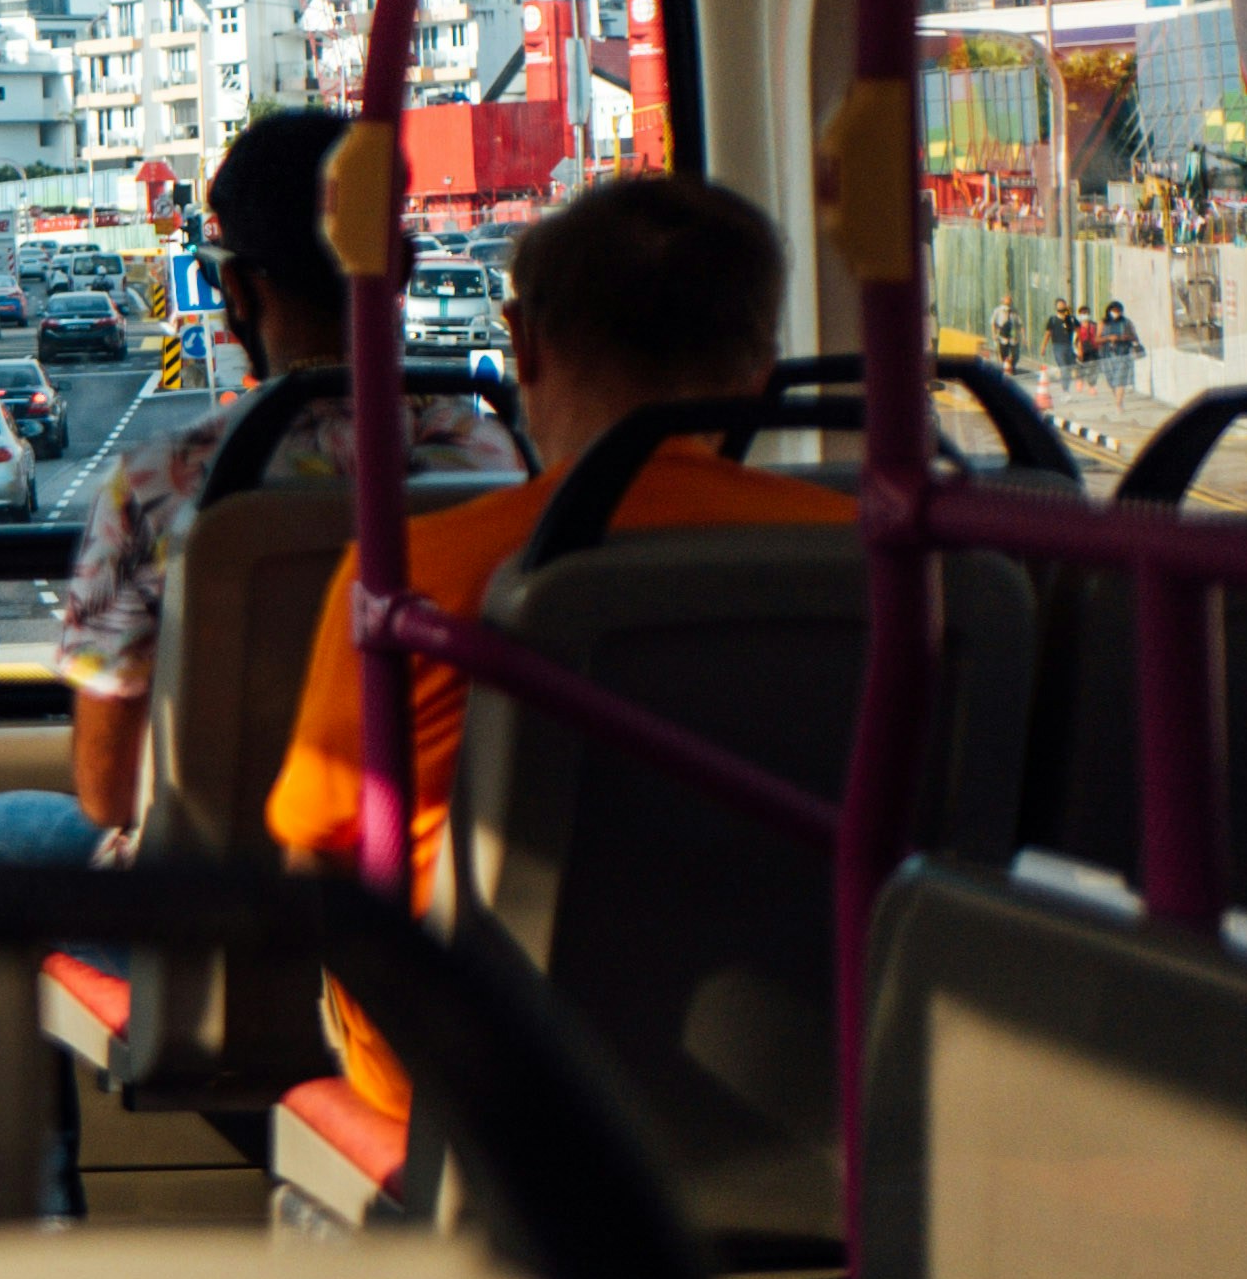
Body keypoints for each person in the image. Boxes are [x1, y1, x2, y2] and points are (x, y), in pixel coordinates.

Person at [0, 108, 524, 1215]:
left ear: (237, 290)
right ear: (402, 266)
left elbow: (107, 791)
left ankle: (34, 1229)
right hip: (456, 929)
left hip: (220, 950)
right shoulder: (501, 457)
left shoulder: (168, 488)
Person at [261, 168, 844, 1139]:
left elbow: (313, 850)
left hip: (481, 1092)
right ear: (758, 372)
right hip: (835, 1086)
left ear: (523, 345)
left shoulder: (430, 573)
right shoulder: (882, 562)